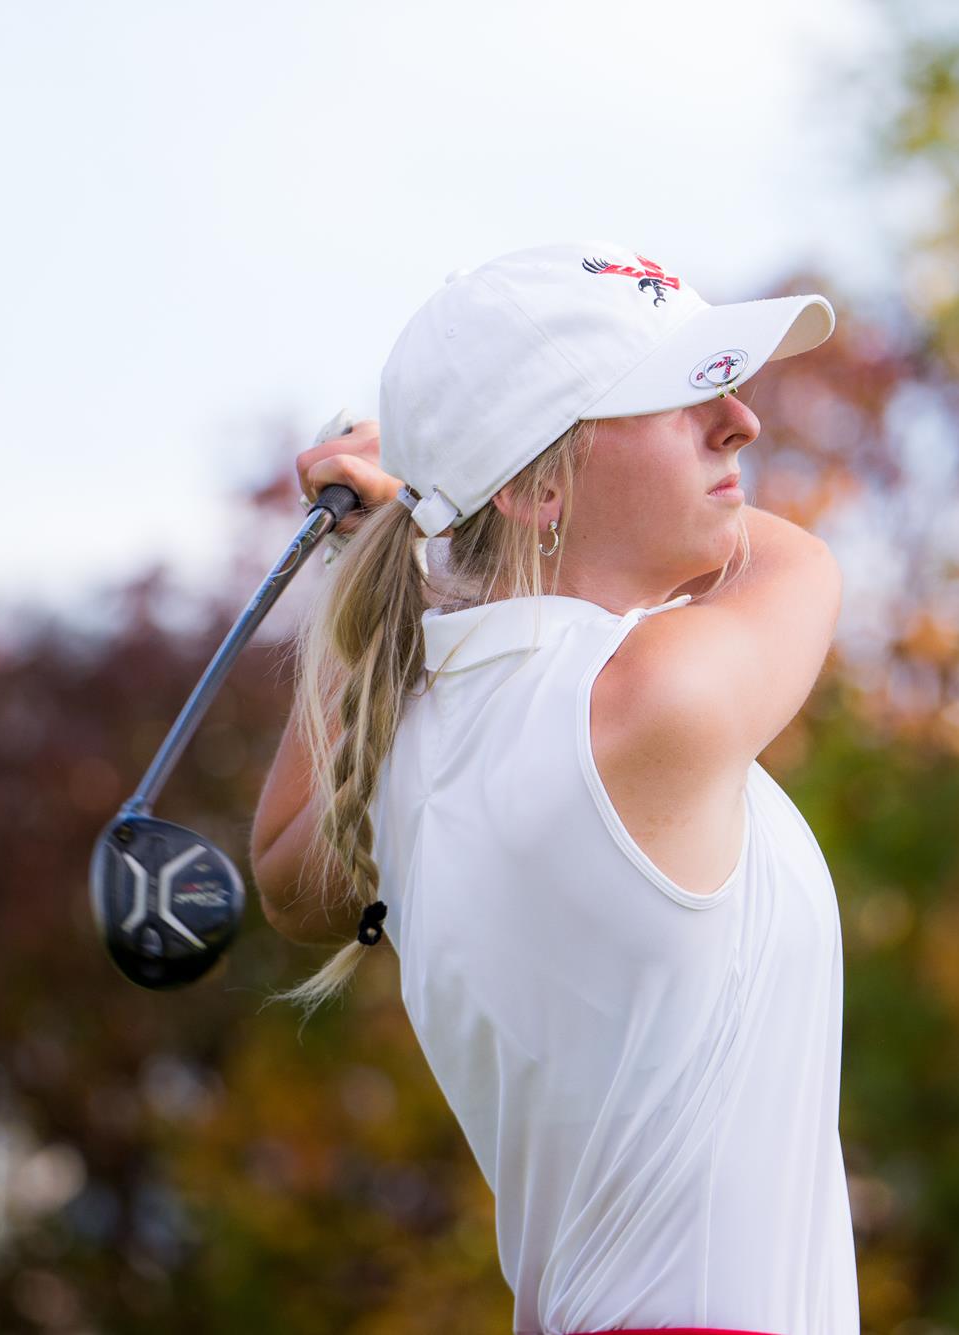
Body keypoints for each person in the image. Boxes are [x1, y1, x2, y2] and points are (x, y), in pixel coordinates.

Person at [246, 240, 857, 1335]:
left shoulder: (412, 751)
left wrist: (397, 521)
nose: (740, 422)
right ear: (535, 485)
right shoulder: (647, 700)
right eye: (681, 394)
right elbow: (799, 567)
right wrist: (418, 502)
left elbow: (287, 864)